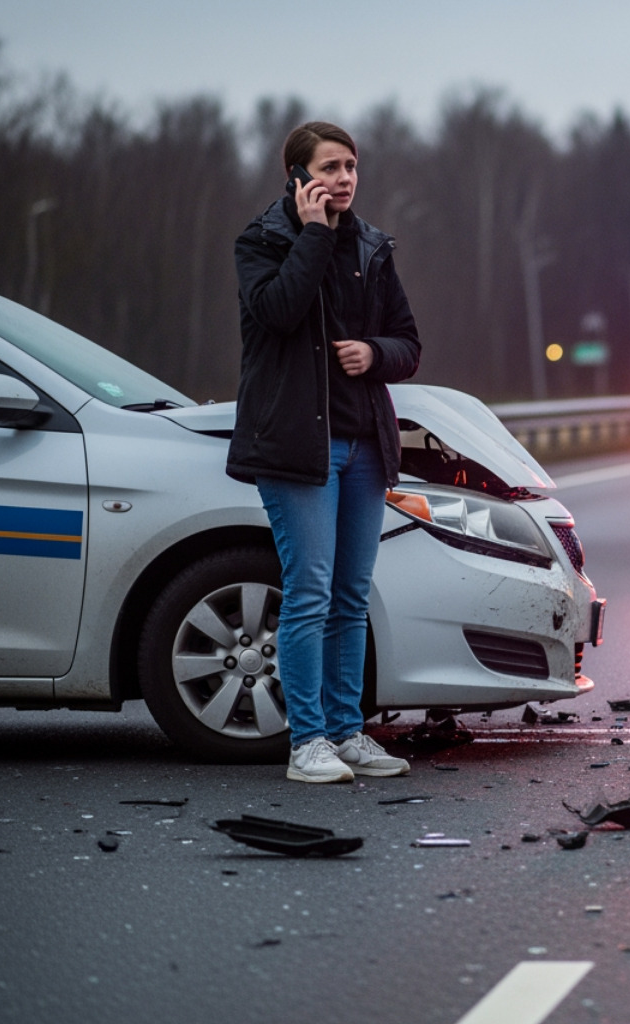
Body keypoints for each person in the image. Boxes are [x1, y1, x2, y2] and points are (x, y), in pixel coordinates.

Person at [227, 121, 421, 782]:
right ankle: (305, 742)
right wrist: (313, 235)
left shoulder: (372, 246)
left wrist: (375, 355)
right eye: (330, 167)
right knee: (308, 593)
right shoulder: (262, 242)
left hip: (365, 444)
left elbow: (409, 344)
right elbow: (278, 313)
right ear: (298, 177)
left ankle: (346, 732)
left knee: (349, 595)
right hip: (296, 447)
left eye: (351, 167)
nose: (343, 178)